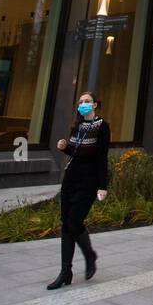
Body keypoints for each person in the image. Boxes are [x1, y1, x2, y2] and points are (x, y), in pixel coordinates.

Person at [47, 92, 110, 290]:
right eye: (81, 102)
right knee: (66, 224)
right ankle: (65, 272)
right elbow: (76, 152)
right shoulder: (77, 126)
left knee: (74, 221)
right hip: (71, 178)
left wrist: (103, 185)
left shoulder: (102, 126)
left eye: (87, 101)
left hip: (89, 180)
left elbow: (101, 157)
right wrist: (65, 147)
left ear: (95, 105)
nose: (83, 104)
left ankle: (89, 254)